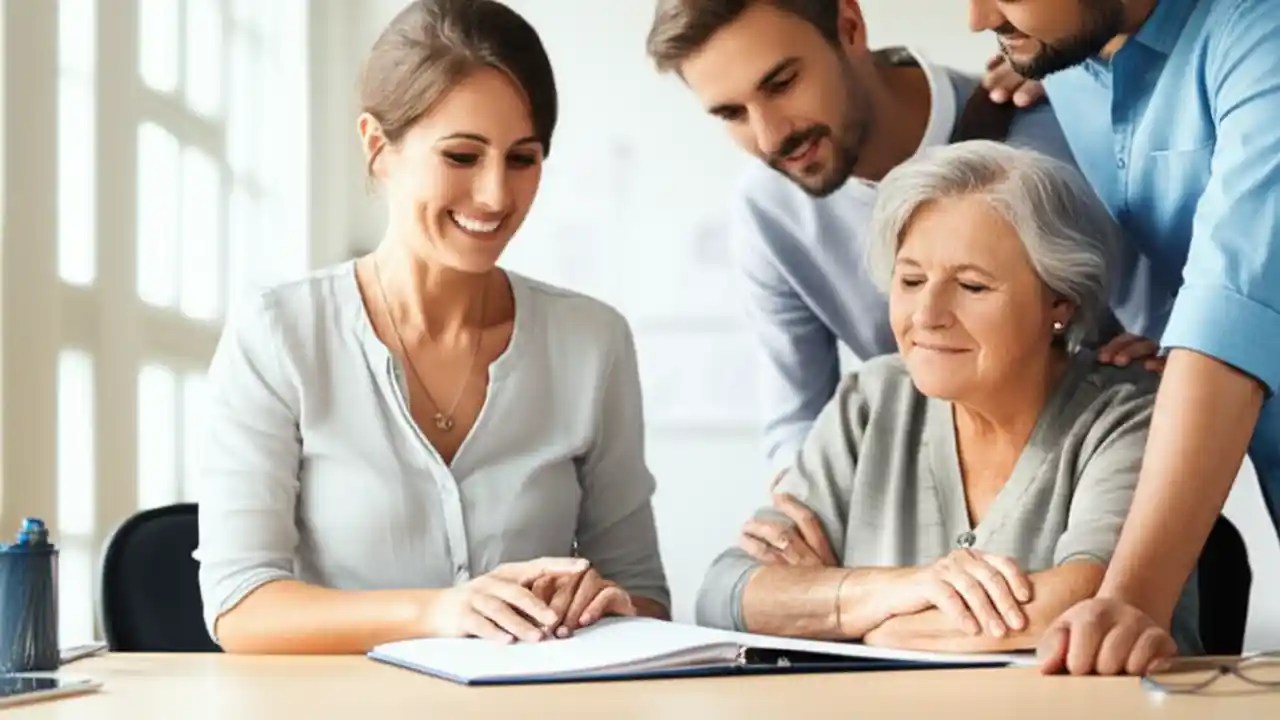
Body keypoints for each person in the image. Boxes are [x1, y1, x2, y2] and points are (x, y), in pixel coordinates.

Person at [195, 0, 669, 654]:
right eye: (462, 155)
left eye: (523, 158)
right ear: (377, 147)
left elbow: (642, 590)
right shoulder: (280, 332)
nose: (497, 195)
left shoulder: (594, 342)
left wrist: (605, 603)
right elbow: (241, 607)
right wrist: (441, 612)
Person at [696, 141, 1200, 655]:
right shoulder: (872, 400)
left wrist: (866, 623)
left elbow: (1087, 602)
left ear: (1060, 303)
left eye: (972, 286)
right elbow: (726, 593)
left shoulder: (1131, 414)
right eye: (911, 279)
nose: (928, 314)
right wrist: (893, 590)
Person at [644, 1, 1149, 480]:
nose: (771, 136)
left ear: (849, 27)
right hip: (922, 536)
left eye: (782, 83)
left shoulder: (1056, 125)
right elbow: (798, 422)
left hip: (1109, 490)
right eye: (731, 114)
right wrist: (797, 513)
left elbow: (1180, 324)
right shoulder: (768, 211)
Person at [967, 0, 1280, 675]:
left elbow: (1234, 300)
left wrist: (1134, 599)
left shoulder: (1262, 32)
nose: (974, 17)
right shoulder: (1073, 60)